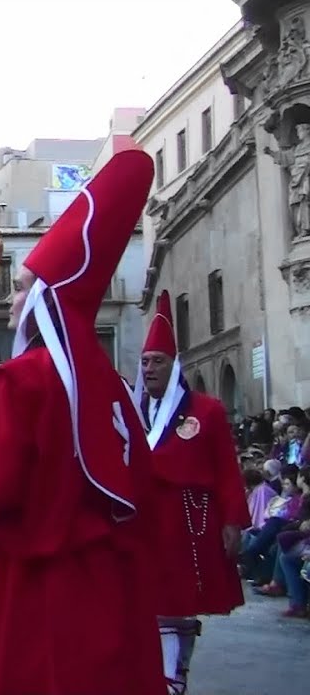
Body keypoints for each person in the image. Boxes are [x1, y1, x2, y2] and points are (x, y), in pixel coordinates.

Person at [0, 149, 163, 695]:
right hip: (100, 591)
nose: (14, 301)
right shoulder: (110, 385)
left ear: (48, 299)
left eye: (21, 288)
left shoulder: (22, 380)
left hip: (20, 589)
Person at [133, 289, 249, 693]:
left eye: (157, 362)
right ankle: (164, 675)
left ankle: (174, 673)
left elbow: (226, 469)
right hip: (145, 523)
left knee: (179, 603)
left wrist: (234, 519)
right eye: (145, 362)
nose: (149, 369)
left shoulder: (207, 410)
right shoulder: (132, 412)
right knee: (150, 604)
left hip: (189, 522)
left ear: (173, 365)